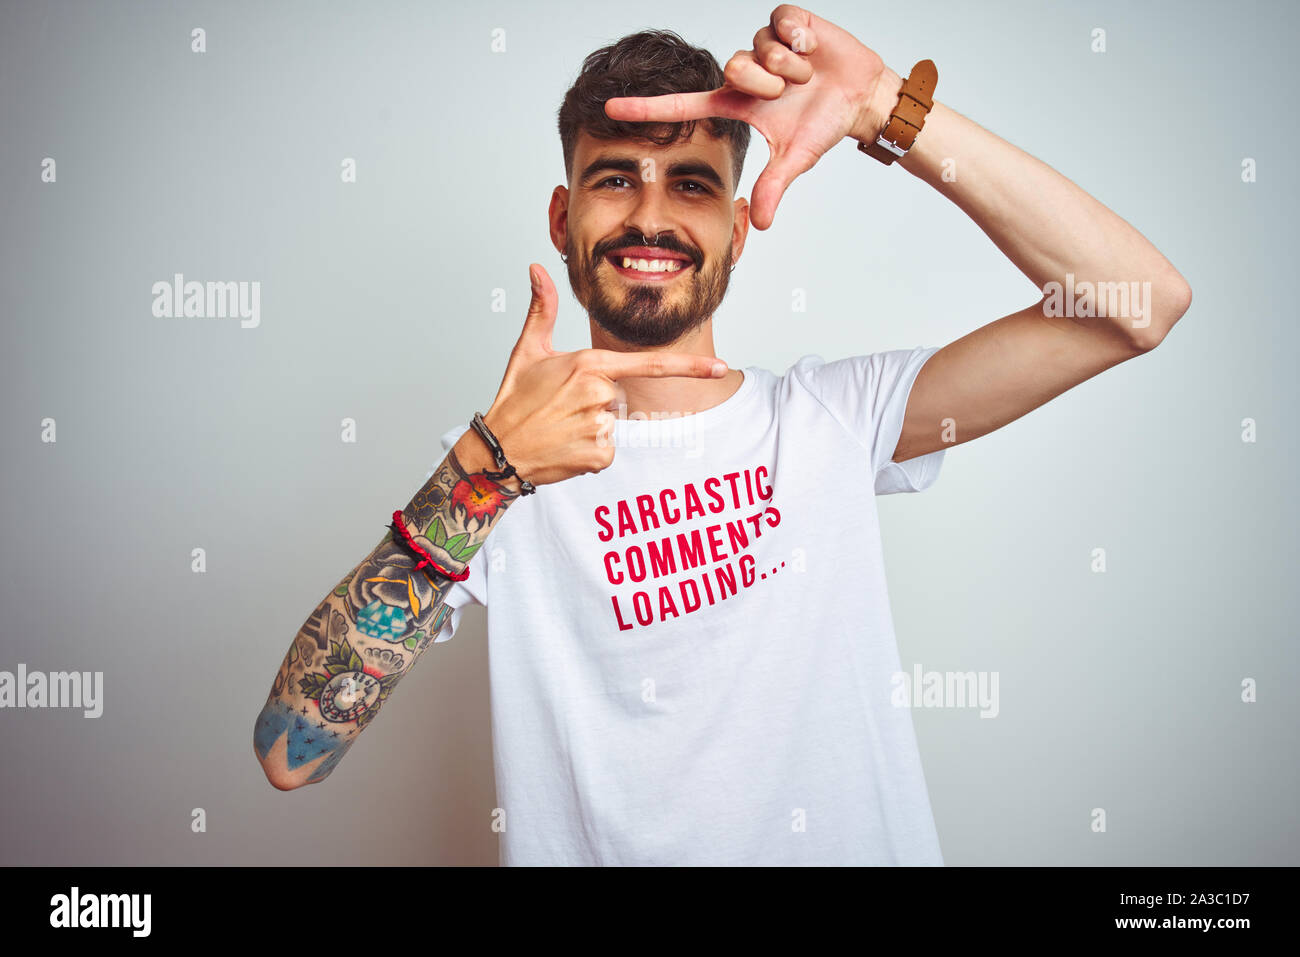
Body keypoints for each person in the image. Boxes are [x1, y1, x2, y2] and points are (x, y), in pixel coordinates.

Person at [253, 6, 1191, 865]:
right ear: (561, 217)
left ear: (741, 230)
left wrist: (881, 108)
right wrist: (484, 472)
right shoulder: (496, 470)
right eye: (615, 178)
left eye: (692, 184)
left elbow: (1138, 306)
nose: (651, 215)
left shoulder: (835, 419)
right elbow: (292, 748)